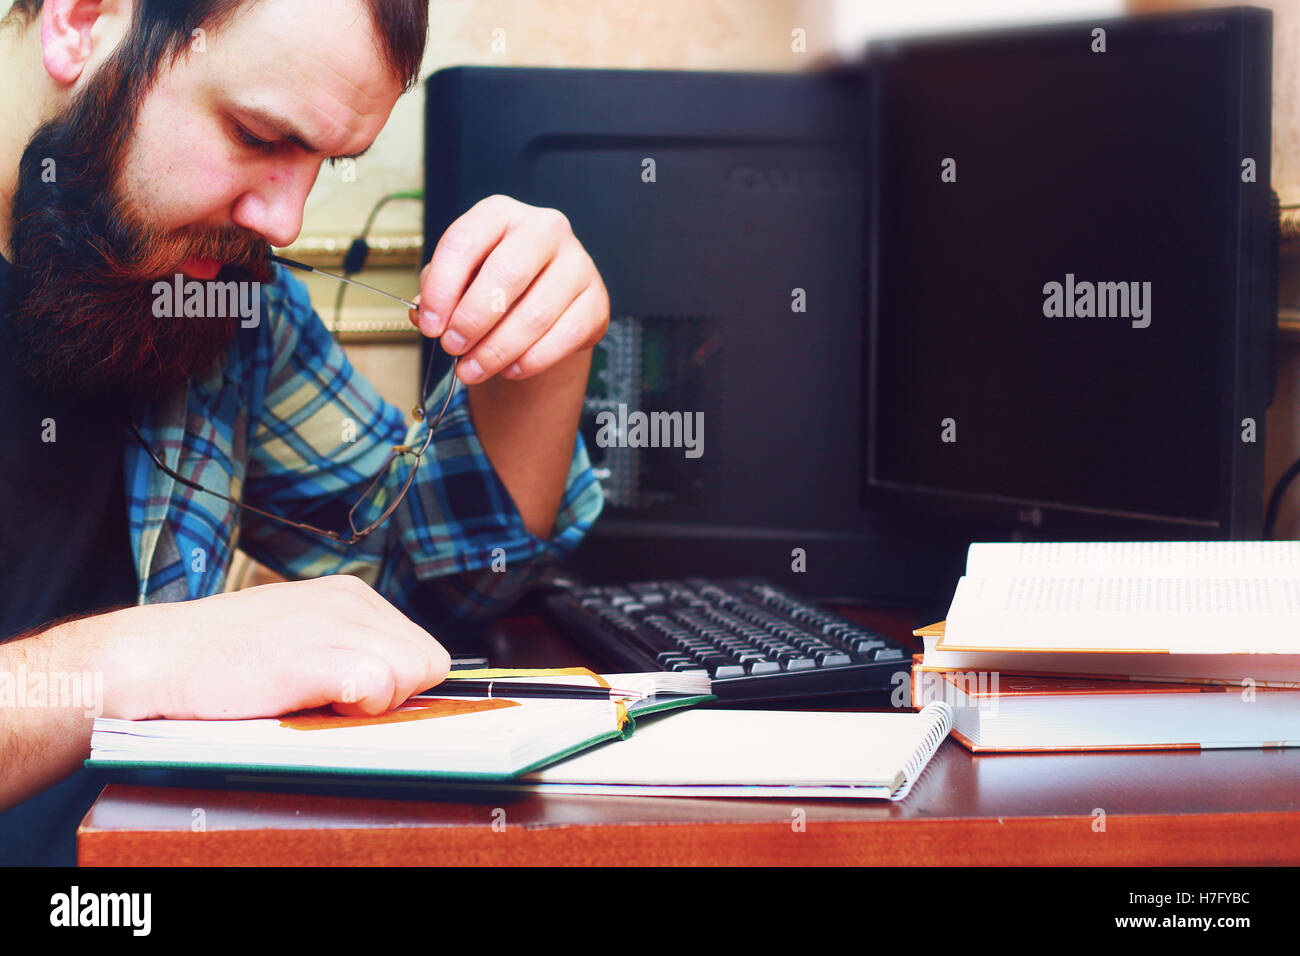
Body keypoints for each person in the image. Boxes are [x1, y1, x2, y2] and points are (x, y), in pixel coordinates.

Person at [0, 0, 608, 864]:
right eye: (256, 135)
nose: (285, 224)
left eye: (325, 162)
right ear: (81, 20)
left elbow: (433, 585)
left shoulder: (217, 295)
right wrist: (136, 663)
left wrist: (541, 350)